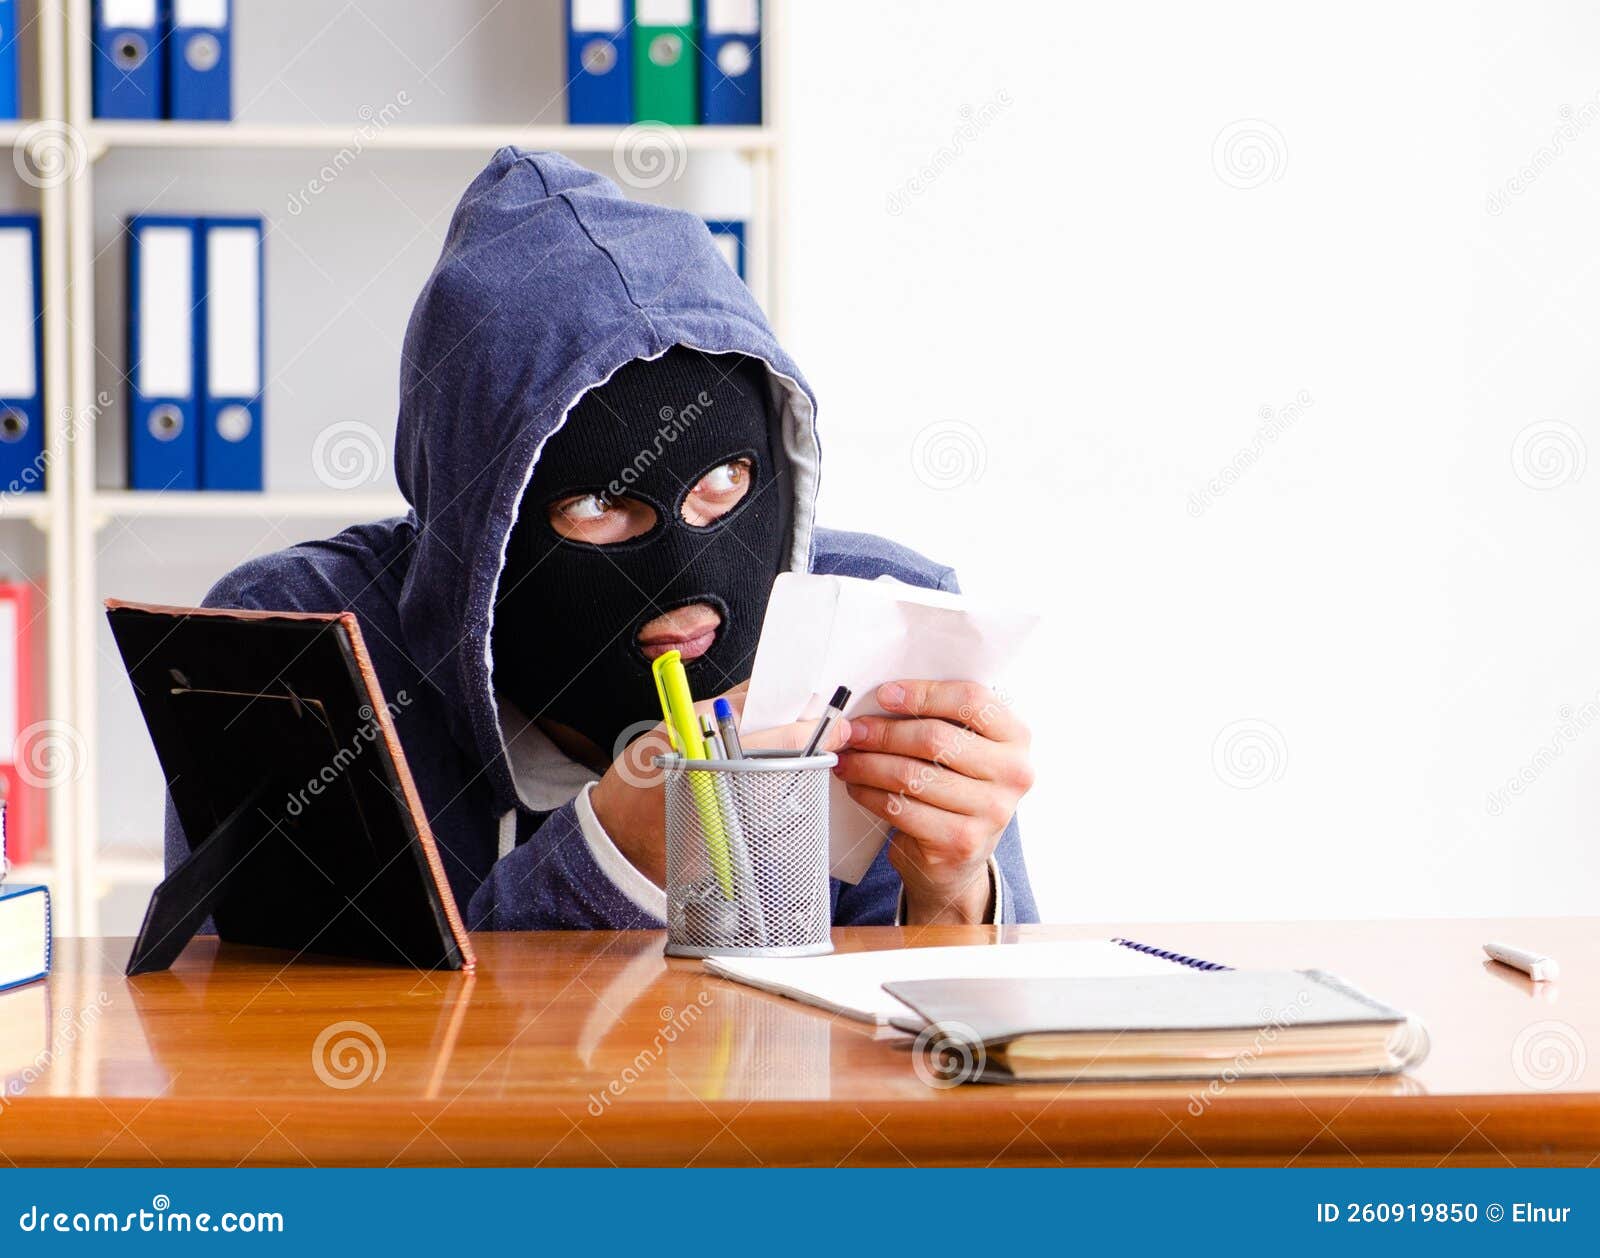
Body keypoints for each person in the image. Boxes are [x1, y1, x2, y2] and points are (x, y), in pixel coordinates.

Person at [166, 150, 1038, 929]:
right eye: (599, 507)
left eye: (723, 485)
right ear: (485, 528)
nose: (688, 579)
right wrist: (607, 865)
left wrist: (955, 890)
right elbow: (269, 1056)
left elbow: (956, 1080)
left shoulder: (877, 629)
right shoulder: (305, 658)